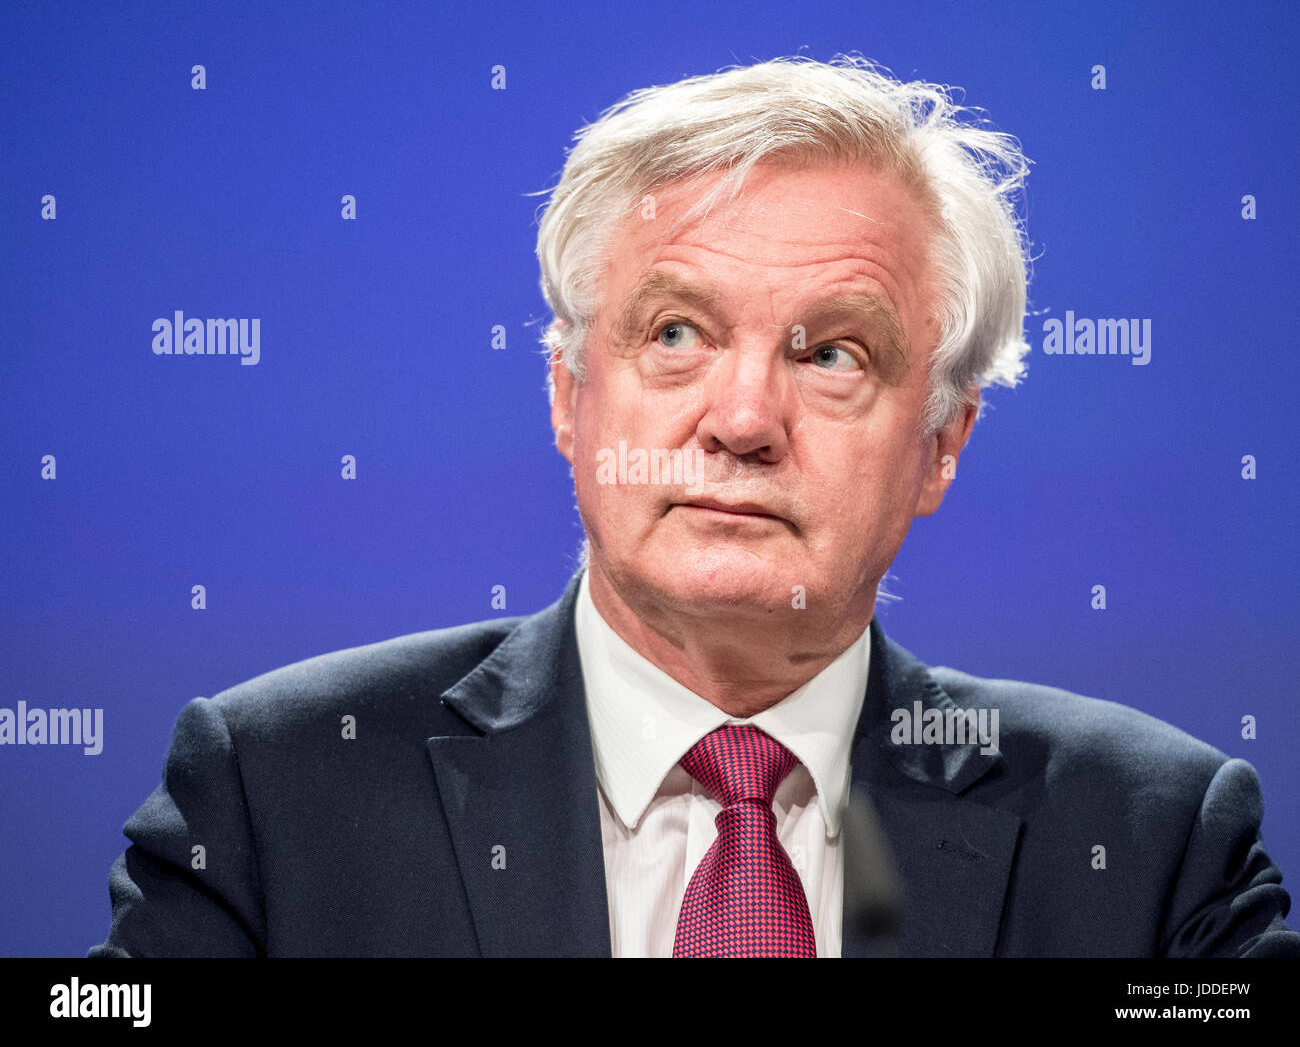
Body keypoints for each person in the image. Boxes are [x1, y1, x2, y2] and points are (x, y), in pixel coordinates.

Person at [89, 55, 1298, 958]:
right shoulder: (278, 791)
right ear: (569, 399)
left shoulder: (1151, 848)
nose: (741, 418)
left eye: (833, 355)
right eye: (675, 333)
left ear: (941, 444)